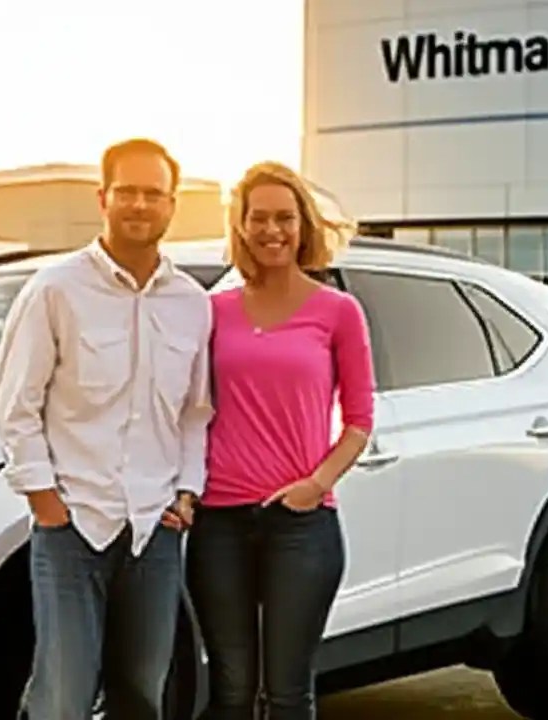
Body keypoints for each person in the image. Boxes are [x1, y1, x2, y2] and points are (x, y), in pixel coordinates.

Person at [0, 137, 213, 720]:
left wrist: (187, 492)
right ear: (103, 198)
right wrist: (44, 500)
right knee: (61, 698)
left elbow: (194, 411)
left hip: (155, 530)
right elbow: (16, 404)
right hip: (72, 527)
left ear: (172, 204)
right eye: (128, 192)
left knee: (142, 693)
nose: (140, 205)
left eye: (153, 194)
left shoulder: (193, 302)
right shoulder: (55, 289)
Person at [185, 161, 375, 719]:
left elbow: (360, 420)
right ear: (240, 226)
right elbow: (185, 409)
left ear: (304, 225)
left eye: (285, 218)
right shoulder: (212, 312)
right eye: (260, 218)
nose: (273, 230)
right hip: (218, 521)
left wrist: (316, 484)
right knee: (230, 689)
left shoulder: (338, 311)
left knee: (289, 691)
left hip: (301, 525)